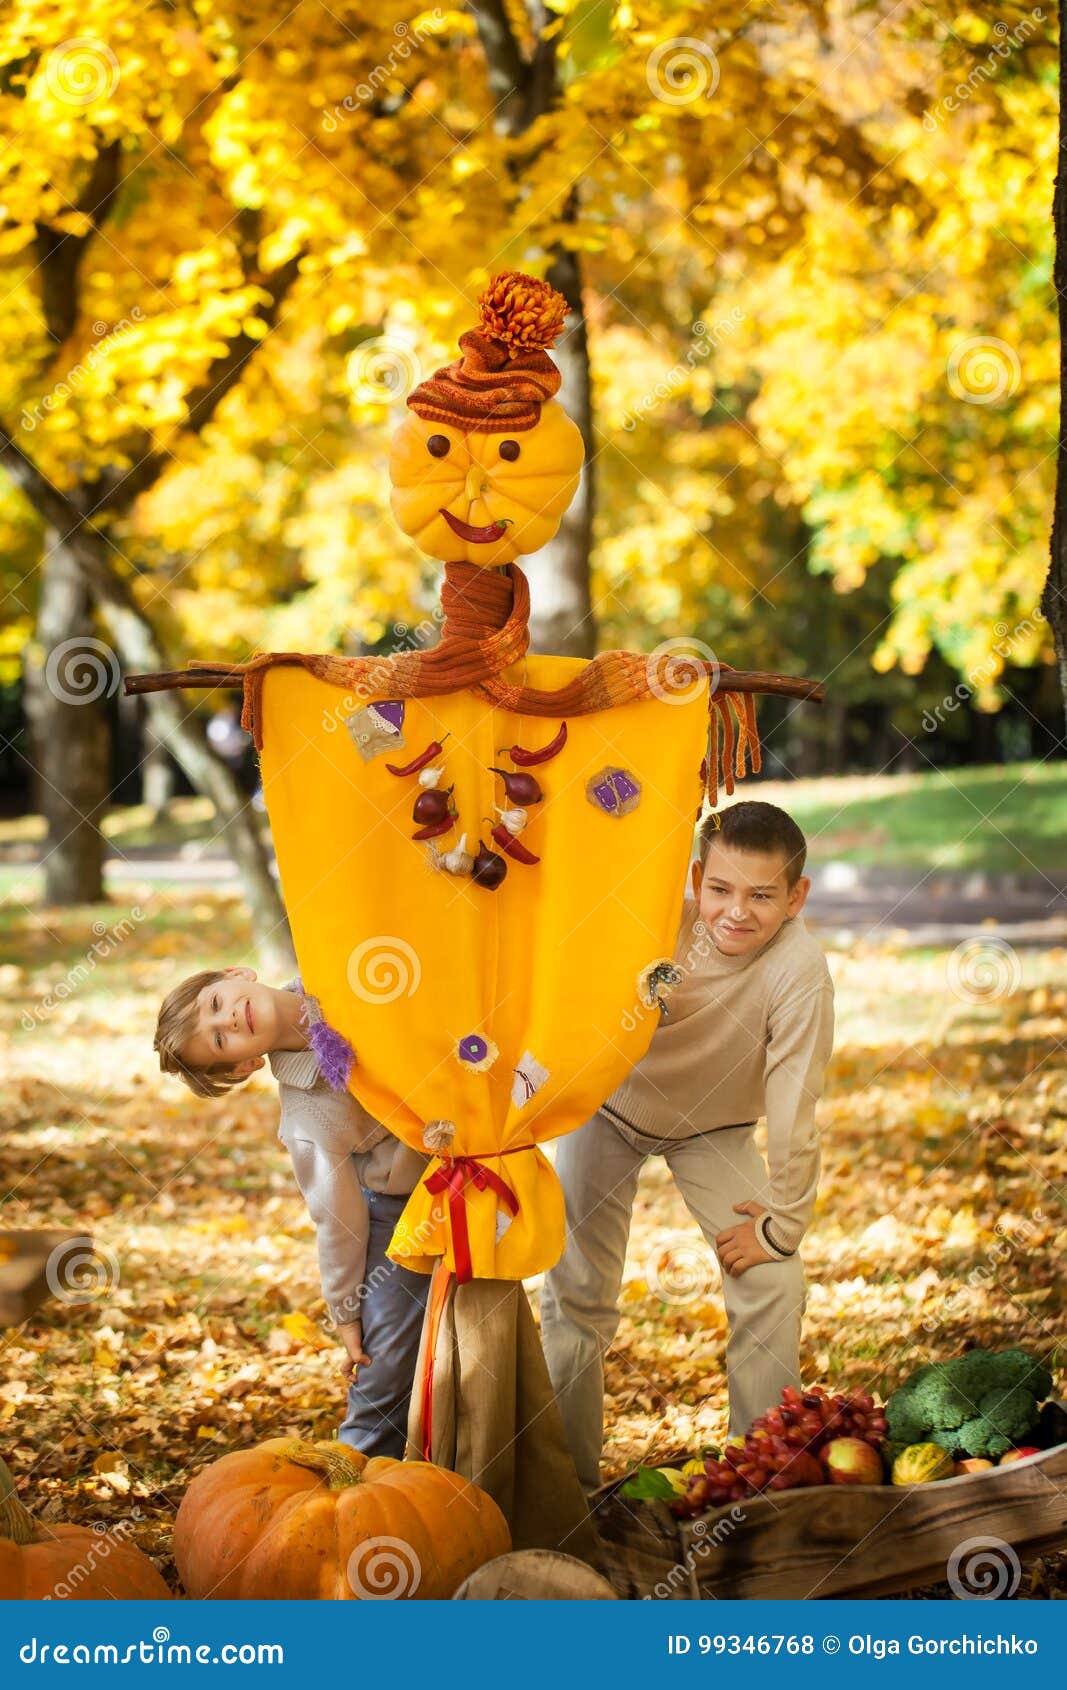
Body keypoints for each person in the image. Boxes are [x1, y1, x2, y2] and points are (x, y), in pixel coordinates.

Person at [540, 800, 835, 1490]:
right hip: (607, 1109)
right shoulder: (649, 919)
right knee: (577, 1293)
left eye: (761, 896)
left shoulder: (799, 971)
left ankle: (755, 1482)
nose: (736, 912)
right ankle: (566, 1486)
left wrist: (782, 1223)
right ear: (696, 877)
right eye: (720, 890)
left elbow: (795, 1102)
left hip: (714, 1128)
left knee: (771, 1278)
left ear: (796, 897)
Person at [153, 964, 428, 1459]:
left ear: (237, 974)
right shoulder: (308, 1117)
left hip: (479, 1152)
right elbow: (339, 1221)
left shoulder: (339, 960)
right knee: (385, 1362)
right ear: (244, 1067)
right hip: (398, 1206)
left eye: (216, 1003)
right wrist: (347, 1314)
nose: (230, 1020)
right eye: (219, 1041)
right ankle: (359, 1468)